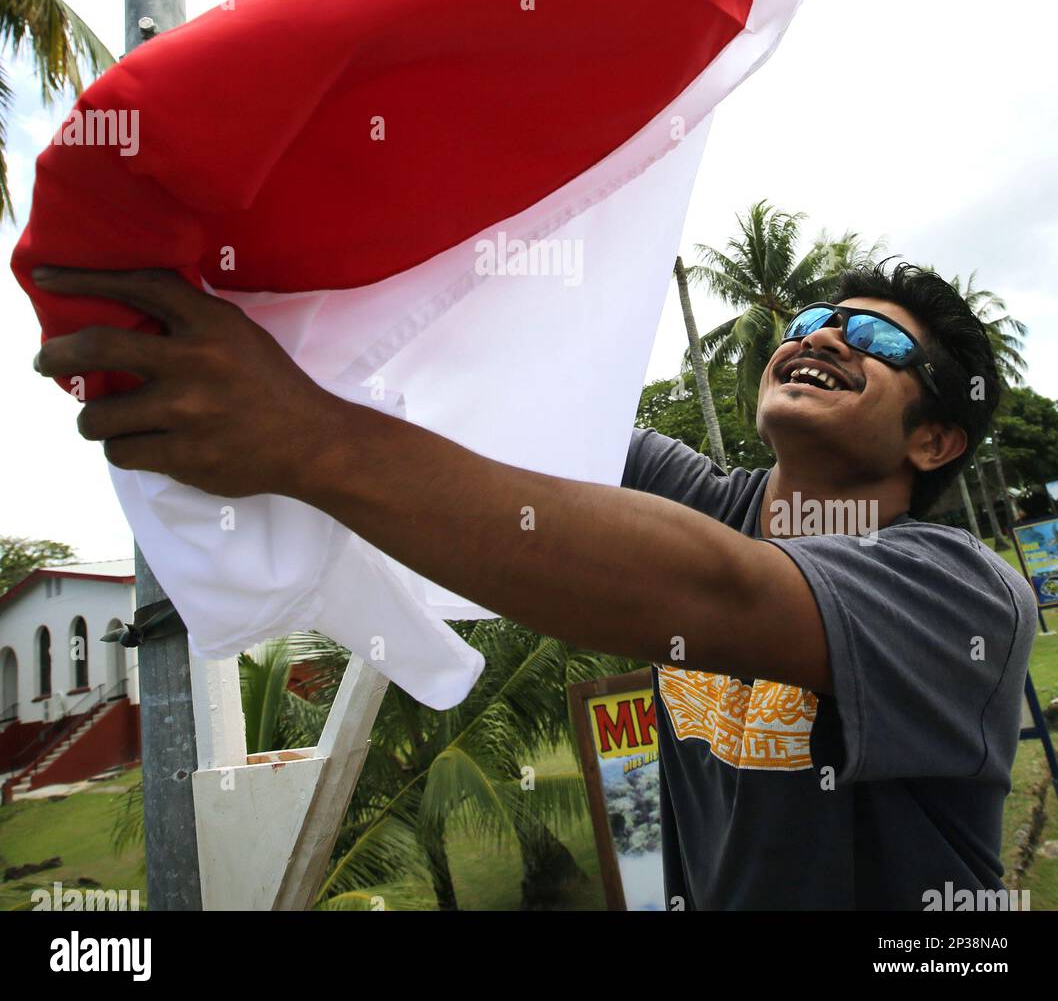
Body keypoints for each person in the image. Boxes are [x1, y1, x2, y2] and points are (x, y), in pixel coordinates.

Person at [31, 257, 1037, 910]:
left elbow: (718, 595)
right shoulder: (698, 496)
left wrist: (308, 442)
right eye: (818, 316)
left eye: (878, 342)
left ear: (933, 436)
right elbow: (482, 407)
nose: (823, 335)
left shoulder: (961, 595)